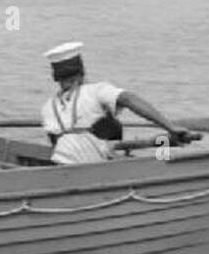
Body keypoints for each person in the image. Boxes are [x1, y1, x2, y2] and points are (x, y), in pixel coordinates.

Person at [41, 41, 192, 165]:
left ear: (57, 78)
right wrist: (170, 127)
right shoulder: (96, 91)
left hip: (60, 166)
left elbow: (59, 143)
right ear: (82, 72)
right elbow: (128, 99)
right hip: (89, 170)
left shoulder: (48, 107)